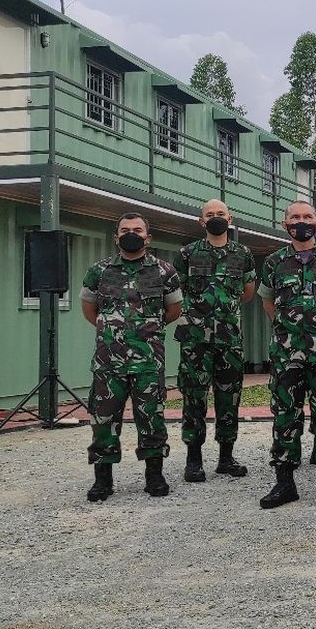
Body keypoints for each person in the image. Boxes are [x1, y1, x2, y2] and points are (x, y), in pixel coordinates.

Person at [81, 213, 182, 502]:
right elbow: (90, 310)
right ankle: (103, 480)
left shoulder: (164, 272)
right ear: (116, 237)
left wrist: (145, 332)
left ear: (148, 238)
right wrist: (113, 331)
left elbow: (172, 311)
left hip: (148, 361)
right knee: (103, 419)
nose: (131, 234)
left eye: (137, 230)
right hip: (108, 362)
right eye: (125, 230)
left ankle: (154, 475)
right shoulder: (98, 271)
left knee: (151, 417)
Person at [257, 201, 316, 510]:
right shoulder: (273, 262)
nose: (301, 221)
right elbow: (268, 302)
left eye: (307, 216)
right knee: (286, 414)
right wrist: (289, 327)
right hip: (286, 353)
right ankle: (285, 483)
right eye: (295, 217)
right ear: (285, 225)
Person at [174, 199, 257, 483]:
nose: (215, 218)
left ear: (230, 218)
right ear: (201, 221)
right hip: (195, 340)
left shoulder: (242, 254)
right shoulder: (186, 254)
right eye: (210, 215)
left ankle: (226, 457)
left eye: (220, 214)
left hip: (229, 339)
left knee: (229, 396)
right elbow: (178, 291)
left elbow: (247, 292)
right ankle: (194, 460)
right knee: (194, 397)